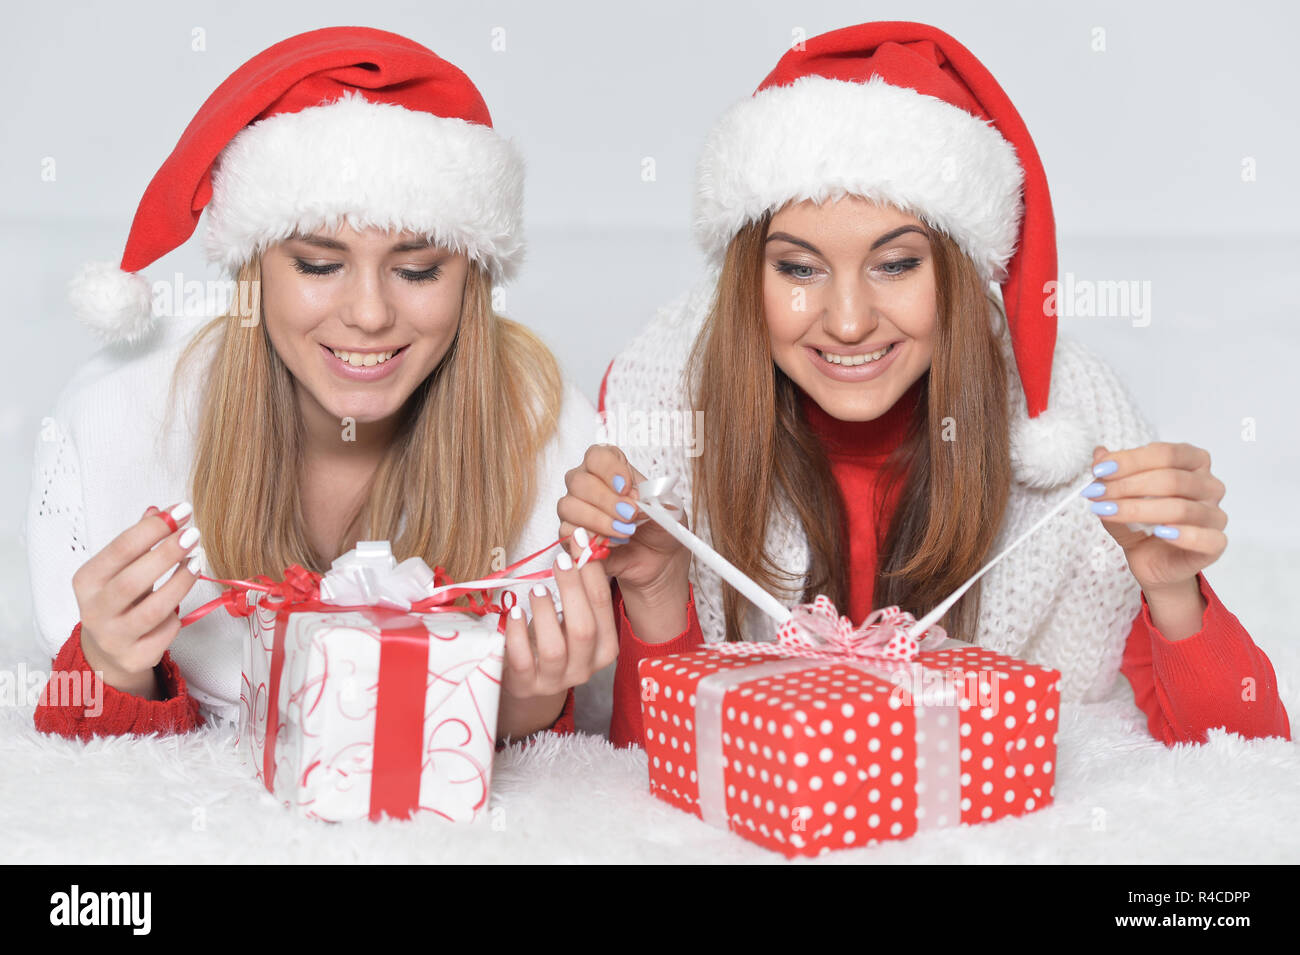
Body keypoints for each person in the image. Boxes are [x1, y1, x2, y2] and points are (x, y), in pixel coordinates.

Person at [557, 21, 1290, 749]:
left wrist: (1172, 592)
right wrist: (655, 594)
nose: (847, 322)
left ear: (962, 275)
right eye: (799, 268)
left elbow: (1238, 762)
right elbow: (647, 785)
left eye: (897, 264)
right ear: (750, 278)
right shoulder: (668, 433)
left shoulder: (1072, 432)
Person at [30, 27, 616, 742]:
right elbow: (85, 787)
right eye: (316, 264)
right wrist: (109, 667)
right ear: (254, 269)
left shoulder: (551, 438)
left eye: (419, 269)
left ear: (473, 278)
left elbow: (565, 787)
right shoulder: (118, 422)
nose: (369, 314)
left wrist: (520, 708)